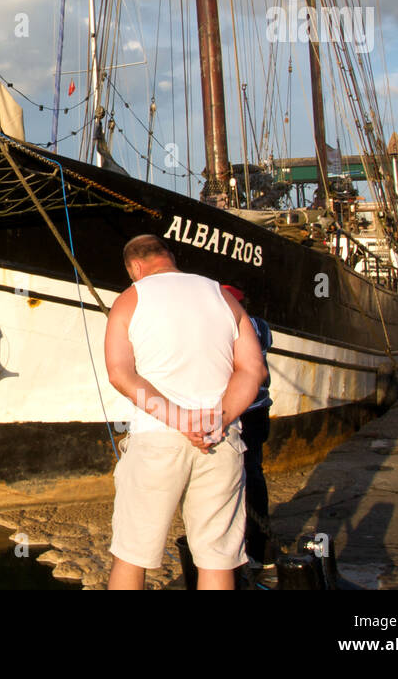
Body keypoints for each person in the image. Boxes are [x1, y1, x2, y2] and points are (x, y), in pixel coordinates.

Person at [104, 234, 267, 590]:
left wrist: (177, 418)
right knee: (217, 559)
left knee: (132, 555)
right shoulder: (223, 297)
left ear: (135, 267)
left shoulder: (130, 300)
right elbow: (253, 370)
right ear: (170, 257)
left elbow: (120, 372)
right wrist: (219, 418)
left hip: (156, 440)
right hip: (220, 440)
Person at [221, 284, 272, 568]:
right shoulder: (261, 326)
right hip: (260, 409)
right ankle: (259, 542)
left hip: (240, 412)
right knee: (254, 473)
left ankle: (242, 544)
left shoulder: (231, 327)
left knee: (235, 477)